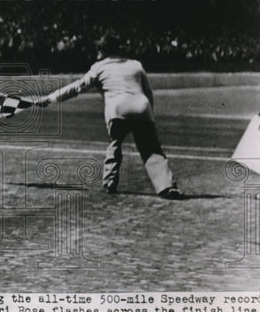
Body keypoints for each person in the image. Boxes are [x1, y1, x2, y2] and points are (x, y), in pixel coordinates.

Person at [37, 32, 183, 199]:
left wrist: (51, 98)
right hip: (142, 106)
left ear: (104, 51)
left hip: (118, 109)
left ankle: (110, 182)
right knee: (152, 149)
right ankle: (166, 186)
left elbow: (76, 88)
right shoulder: (136, 64)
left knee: (115, 143)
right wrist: (150, 117)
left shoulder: (99, 67)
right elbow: (148, 93)